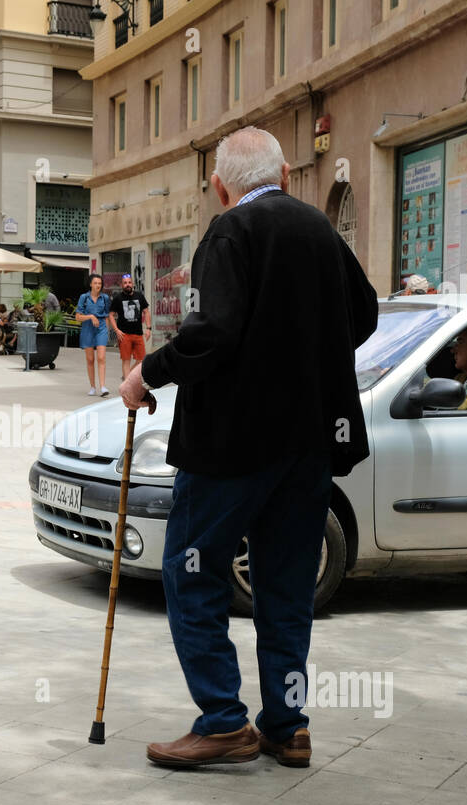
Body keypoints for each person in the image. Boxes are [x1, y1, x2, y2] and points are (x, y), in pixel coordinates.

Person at [117, 126, 377, 770]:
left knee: (192, 571)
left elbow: (210, 334)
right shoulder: (320, 230)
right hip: (310, 442)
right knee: (286, 587)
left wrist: (144, 374)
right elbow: (365, 313)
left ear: (218, 184)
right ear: (286, 174)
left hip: (234, 444)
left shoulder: (230, 231)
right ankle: (288, 727)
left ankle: (224, 722)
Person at [107, 272, 151, 380]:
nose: (128, 284)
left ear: (133, 284)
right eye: (125, 283)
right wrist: (116, 330)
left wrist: (148, 328)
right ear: (122, 285)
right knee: (126, 360)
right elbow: (111, 315)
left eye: (129, 282)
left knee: (141, 360)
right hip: (124, 334)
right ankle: (127, 385)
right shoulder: (118, 298)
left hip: (138, 333)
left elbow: (146, 311)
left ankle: (127, 376)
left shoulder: (139, 296)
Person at [76, 274, 112, 396]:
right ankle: (92, 387)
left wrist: (107, 332)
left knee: (101, 357)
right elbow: (78, 317)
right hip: (87, 328)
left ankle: (103, 386)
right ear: (91, 284)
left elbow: (107, 316)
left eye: (100, 283)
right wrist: (90, 316)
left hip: (101, 328)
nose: (98, 285)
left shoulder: (105, 298)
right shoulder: (84, 297)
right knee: (90, 359)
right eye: (95, 283)